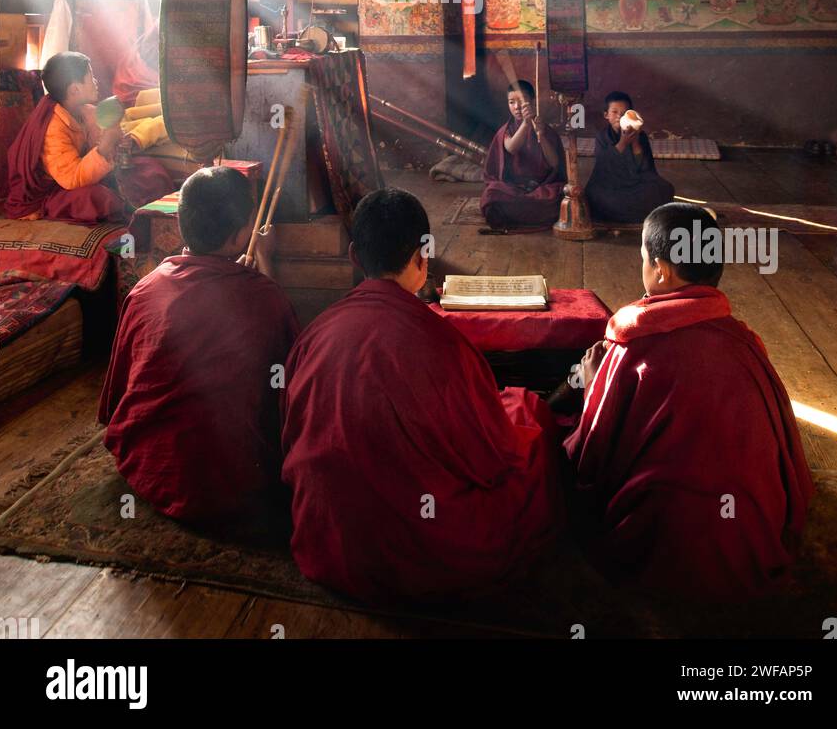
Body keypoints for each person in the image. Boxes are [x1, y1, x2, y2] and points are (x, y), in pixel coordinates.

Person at [281, 188, 564, 602]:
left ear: (355, 257)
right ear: (421, 258)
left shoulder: (314, 335)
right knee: (532, 421)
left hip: (328, 541)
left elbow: (291, 436)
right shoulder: (443, 345)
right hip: (424, 553)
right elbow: (492, 457)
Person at [564, 202, 813, 599]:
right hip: (753, 540)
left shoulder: (633, 344)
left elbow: (593, 453)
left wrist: (594, 384)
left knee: (548, 456)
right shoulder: (745, 340)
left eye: (644, 259)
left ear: (661, 270)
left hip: (662, 552)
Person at [99, 166, 299, 525]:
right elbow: (289, 389)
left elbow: (117, 397)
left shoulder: (143, 292)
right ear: (241, 235)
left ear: (179, 222)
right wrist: (265, 263)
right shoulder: (265, 297)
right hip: (237, 483)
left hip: (151, 467)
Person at [4, 52, 172, 223]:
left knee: (150, 169)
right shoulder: (52, 128)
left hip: (88, 175)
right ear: (75, 89)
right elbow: (72, 178)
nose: (96, 83)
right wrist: (104, 147)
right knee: (96, 198)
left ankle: (135, 206)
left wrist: (117, 141)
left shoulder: (84, 110)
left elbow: (105, 138)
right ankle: (131, 211)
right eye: (91, 79)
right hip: (54, 189)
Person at [480, 80, 564, 231]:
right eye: (512, 102)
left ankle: (517, 215)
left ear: (532, 101)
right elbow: (511, 147)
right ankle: (532, 215)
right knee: (492, 194)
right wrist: (526, 124)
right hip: (513, 187)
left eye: (522, 101)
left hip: (541, 186)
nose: (517, 107)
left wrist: (542, 135)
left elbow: (554, 163)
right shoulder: (507, 130)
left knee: (560, 196)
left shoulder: (545, 128)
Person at [584, 90, 674, 223]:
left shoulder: (640, 136)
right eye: (614, 112)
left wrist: (635, 141)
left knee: (665, 189)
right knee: (596, 197)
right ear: (606, 115)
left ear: (631, 115)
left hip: (635, 183)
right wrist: (622, 143)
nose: (619, 116)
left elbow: (645, 168)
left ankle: (626, 213)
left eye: (624, 112)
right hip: (610, 186)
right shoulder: (602, 137)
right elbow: (603, 167)